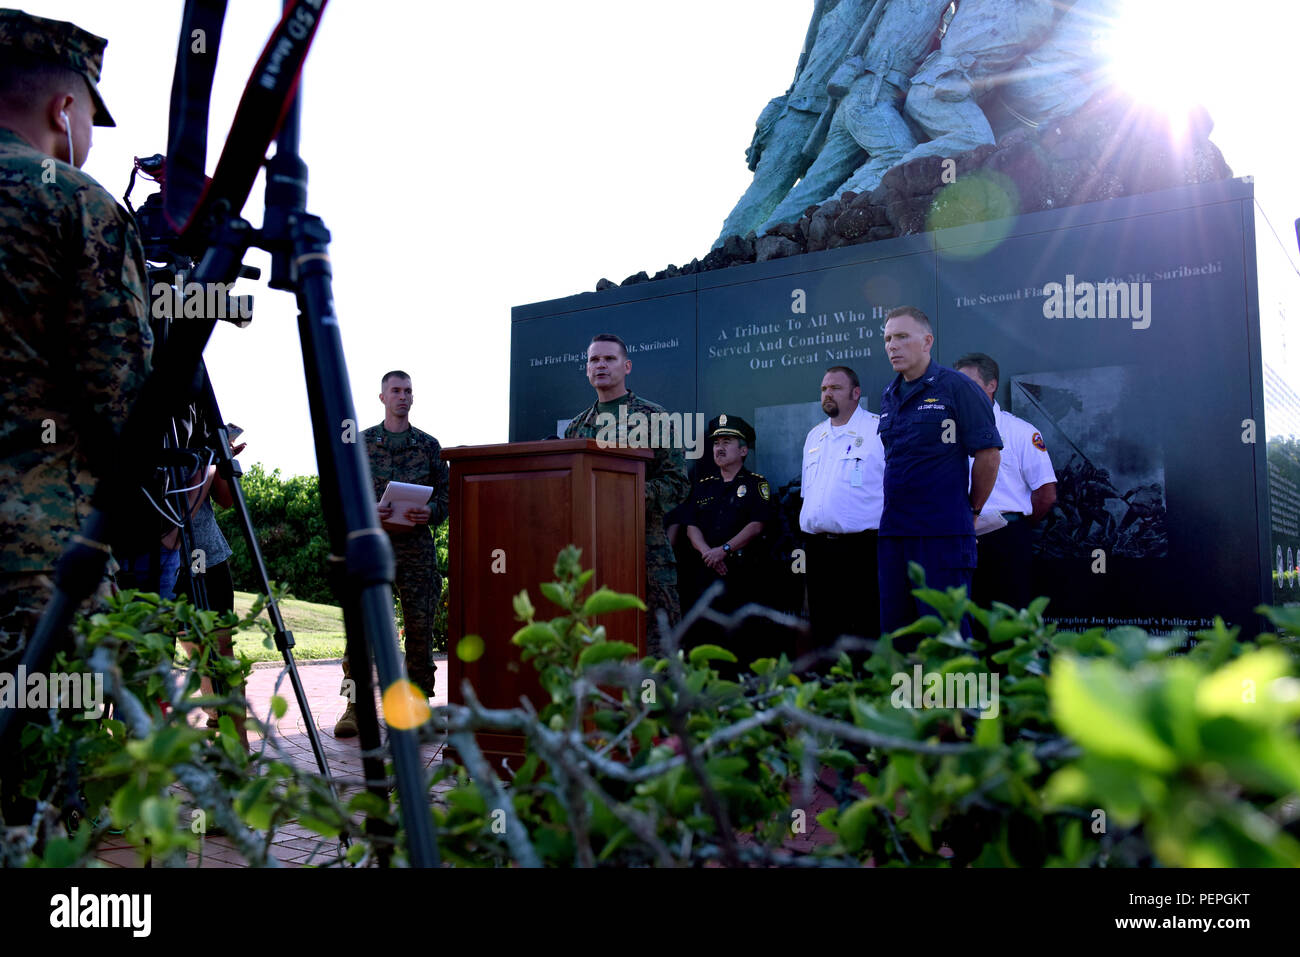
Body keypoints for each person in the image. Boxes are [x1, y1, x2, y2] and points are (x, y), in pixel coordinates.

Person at [0, 9, 151, 668]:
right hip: (36, 566)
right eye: (91, 116)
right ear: (64, 111)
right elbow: (127, 407)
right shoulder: (76, 203)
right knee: (48, 733)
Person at [759, 0, 955, 232]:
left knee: (813, 185)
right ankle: (826, 211)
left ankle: (765, 234)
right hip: (869, 100)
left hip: (859, 99)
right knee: (900, 154)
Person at [334, 371, 449, 738]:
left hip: (416, 551)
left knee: (420, 630)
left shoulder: (429, 446)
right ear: (382, 397)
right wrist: (369, 509)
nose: (403, 396)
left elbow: (447, 497)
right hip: (372, 547)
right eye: (396, 390)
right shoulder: (362, 443)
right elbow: (343, 494)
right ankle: (353, 707)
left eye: (408, 391)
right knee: (361, 632)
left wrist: (430, 512)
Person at [877, 307, 1001, 641]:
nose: (892, 345)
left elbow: (988, 455)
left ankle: (955, 682)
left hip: (942, 536)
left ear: (927, 341)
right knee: (899, 636)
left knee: (947, 637)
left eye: (902, 336)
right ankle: (910, 681)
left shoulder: (957, 387)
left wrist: (972, 510)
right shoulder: (890, 395)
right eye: (888, 338)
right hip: (894, 535)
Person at [565, 334, 690, 656]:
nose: (601, 365)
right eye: (594, 360)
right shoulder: (576, 428)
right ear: (586, 369)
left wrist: (625, 493)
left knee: (658, 652)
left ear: (627, 366)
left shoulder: (653, 417)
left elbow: (677, 483)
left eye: (609, 359)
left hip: (645, 553)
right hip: (591, 554)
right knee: (596, 645)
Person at [714, 0, 874, 245]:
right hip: (804, 111)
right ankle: (727, 252)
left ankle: (755, 246)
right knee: (763, 196)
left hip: (841, 110)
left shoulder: (844, 14)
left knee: (812, 196)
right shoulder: (837, 14)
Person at [953, 353, 1056, 617]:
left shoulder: (1021, 432)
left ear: (991, 385)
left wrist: (1014, 523)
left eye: (969, 384)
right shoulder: (947, 434)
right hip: (959, 539)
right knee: (963, 620)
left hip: (1006, 540)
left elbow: (1046, 494)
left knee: (1009, 619)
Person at [799, 366, 886, 657]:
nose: (827, 394)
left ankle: (866, 683)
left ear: (855, 393)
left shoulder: (878, 430)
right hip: (819, 549)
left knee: (864, 627)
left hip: (862, 548)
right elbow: (808, 494)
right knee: (824, 629)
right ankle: (829, 683)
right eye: (824, 389)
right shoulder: (815, 436)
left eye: (835, 388)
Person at [677, 415, 777, 614]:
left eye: (726, 442)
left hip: (742, 573)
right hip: (707, 573)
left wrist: (723, 550)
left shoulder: (756, 483)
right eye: (716, 443)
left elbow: (756, 525)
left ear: (743, 450)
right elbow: (691, 526)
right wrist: (708, 554)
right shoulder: (704, 485)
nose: (719, 448)